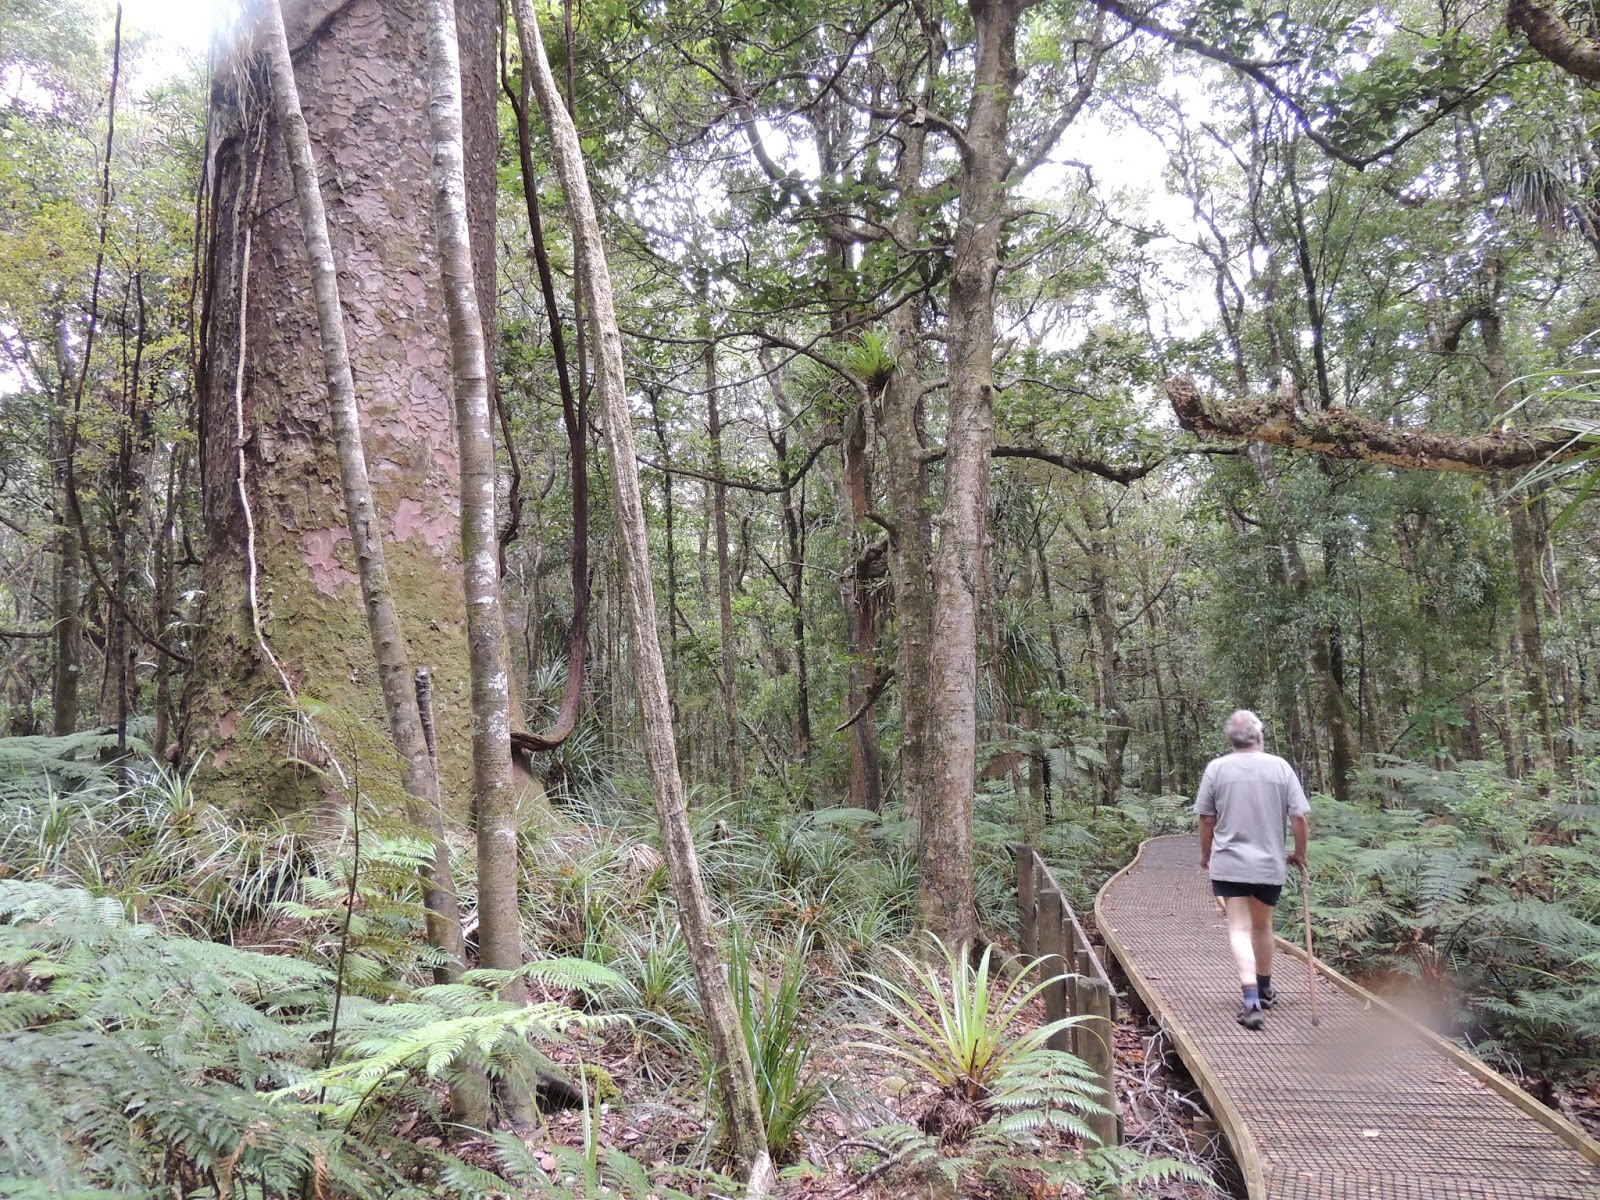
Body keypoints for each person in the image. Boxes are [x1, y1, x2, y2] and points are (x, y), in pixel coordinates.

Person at [1195, 709, 1309, 1030]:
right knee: (1263, 926)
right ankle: (1265, 986)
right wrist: (1300, 854)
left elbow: (1206, 819)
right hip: (1268, 864)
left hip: (1229, 863)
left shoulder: (1217, 769)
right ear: (1259, 736)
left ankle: (1250, 1001)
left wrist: (1206, 855)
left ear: (1230, 739)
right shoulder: (1281, 767)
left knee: (1239, 929)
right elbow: (1299, 817)